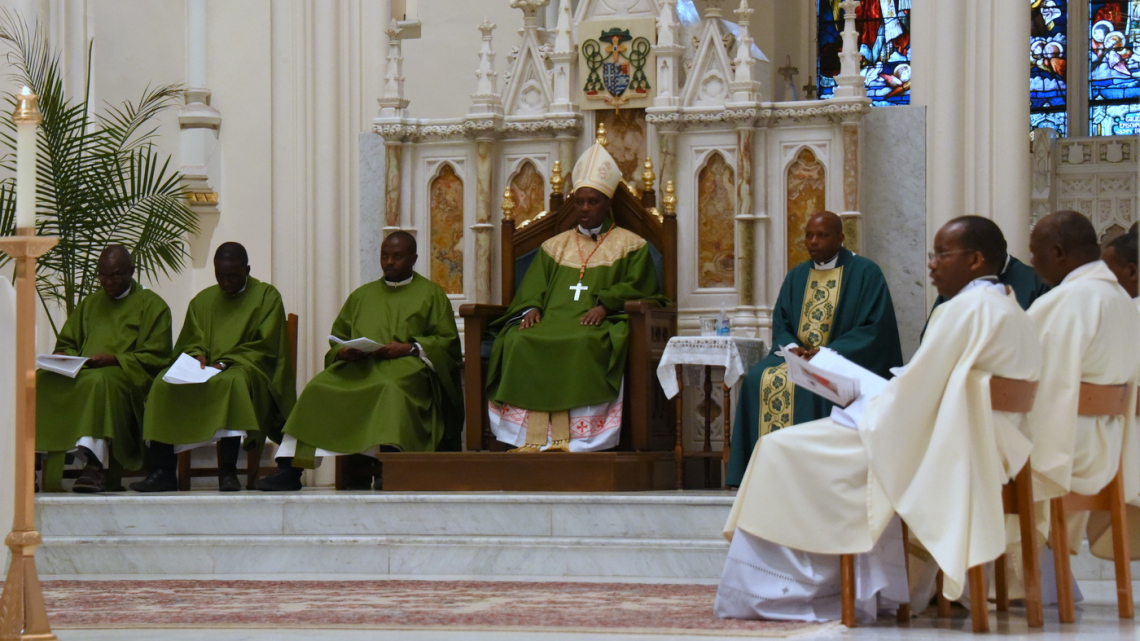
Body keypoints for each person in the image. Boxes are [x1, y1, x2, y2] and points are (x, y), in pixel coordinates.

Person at [716, 216, 1042, 622]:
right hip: (972, 443)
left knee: (777, 447)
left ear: (975, 260)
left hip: (944, 446)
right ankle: (863, 586)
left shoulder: (965, 310)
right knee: (788, 436)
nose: (932, 264)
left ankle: (790, 592)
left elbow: (916, 398)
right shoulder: (1006, 305)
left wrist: (859, 395)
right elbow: (932, 387)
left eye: (942, 254)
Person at [485, 141, 668, 452]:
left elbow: (643, 287)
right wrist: (530, 307)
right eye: (579, 202)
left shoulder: (631, 245)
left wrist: (606, 305)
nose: (584, 208)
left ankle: (582, 438)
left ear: (607, 203)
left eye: (592, 202)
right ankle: (530, 437)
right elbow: (534, 287)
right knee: (518, 339)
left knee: (586, 342)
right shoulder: (554, 245)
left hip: (595, 323)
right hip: (551, 319)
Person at [257, 231, 463, 491]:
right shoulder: (362, 295)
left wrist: (410, 348)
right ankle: (289, 469)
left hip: (406, 368)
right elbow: (339, 338)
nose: (389, 262)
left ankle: (391, 466)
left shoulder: (431, 295)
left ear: (414, 259)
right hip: (361, 366)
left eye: (397, 257)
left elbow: (447, 343)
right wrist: (343, 352)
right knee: (318, 388)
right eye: (385, 255)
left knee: (391, 389)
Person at [725, 210, 902, 487]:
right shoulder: (797, 276)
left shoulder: (866, 273)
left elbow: (874, 328)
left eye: (822, 235)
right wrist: (793, 347)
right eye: (809, 235)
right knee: (758, 378)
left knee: (816, 382)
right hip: (798, 357)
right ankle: (762, 475)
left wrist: (827, 353)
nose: (814, 241)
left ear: (841, 237)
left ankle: (814, 476)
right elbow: (781, 320)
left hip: (842, 358)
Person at [132, 242, 296, 492]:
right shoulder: (203, 300)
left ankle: (228, 472)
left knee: (232, 382)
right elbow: (190, 339)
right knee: (162, 383)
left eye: (232, 275)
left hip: (246, 368)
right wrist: (197, 355)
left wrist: (227, 362)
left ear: (247, 269)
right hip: (207, 370)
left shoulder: (266, 297)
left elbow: (266, 345)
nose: (226, 281)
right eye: (220, 275)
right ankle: (164, 471)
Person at [1024, 211, 1139, 559]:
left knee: (954, 457)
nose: (1031, 262)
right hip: (1107, 448)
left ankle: (980, 586)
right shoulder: (1124, 302)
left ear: (1058, 252)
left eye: (1035, 251)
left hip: (1066, 451)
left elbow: (1035, 388)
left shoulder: (1067, 301)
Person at [35, 245, 172, 493]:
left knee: (98, 382)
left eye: (116, 275)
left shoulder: (152, 306)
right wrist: (63, 355)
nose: (108, 282)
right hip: (85, 370)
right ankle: (34, 463)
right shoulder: (90, 303)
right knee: (41, 379)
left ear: (132, 271)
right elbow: (68, 341)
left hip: (125, 377)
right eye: (103, 275)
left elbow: (157, 355)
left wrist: (115, 359)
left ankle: (95, 466)